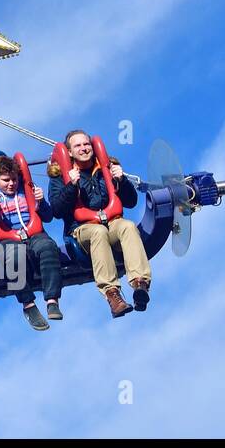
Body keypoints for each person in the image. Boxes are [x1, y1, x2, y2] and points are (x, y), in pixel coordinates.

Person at [47, 130, 150, 318]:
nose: (84, 148)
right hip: (82, 230)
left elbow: (131, 201)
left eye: (86, 144)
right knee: (97, 232)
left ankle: (140, 283)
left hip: (112, 223)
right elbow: (56, 210)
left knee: (127, 226)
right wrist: (71, 185)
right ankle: (112, 294)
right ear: (69, 152)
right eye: (78, 146)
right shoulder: (59, 176)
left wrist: (121, 180)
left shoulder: (106, 168)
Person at [0, 155, 63, 330]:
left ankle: (52, 300)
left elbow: (48, 216)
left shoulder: (26, 191)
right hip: (5, 238)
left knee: (48, 247)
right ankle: (28, 304)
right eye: (6, 180)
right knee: (13, 256)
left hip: (33, 234)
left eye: (14, 179)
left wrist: (41, 202)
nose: (11, 184)